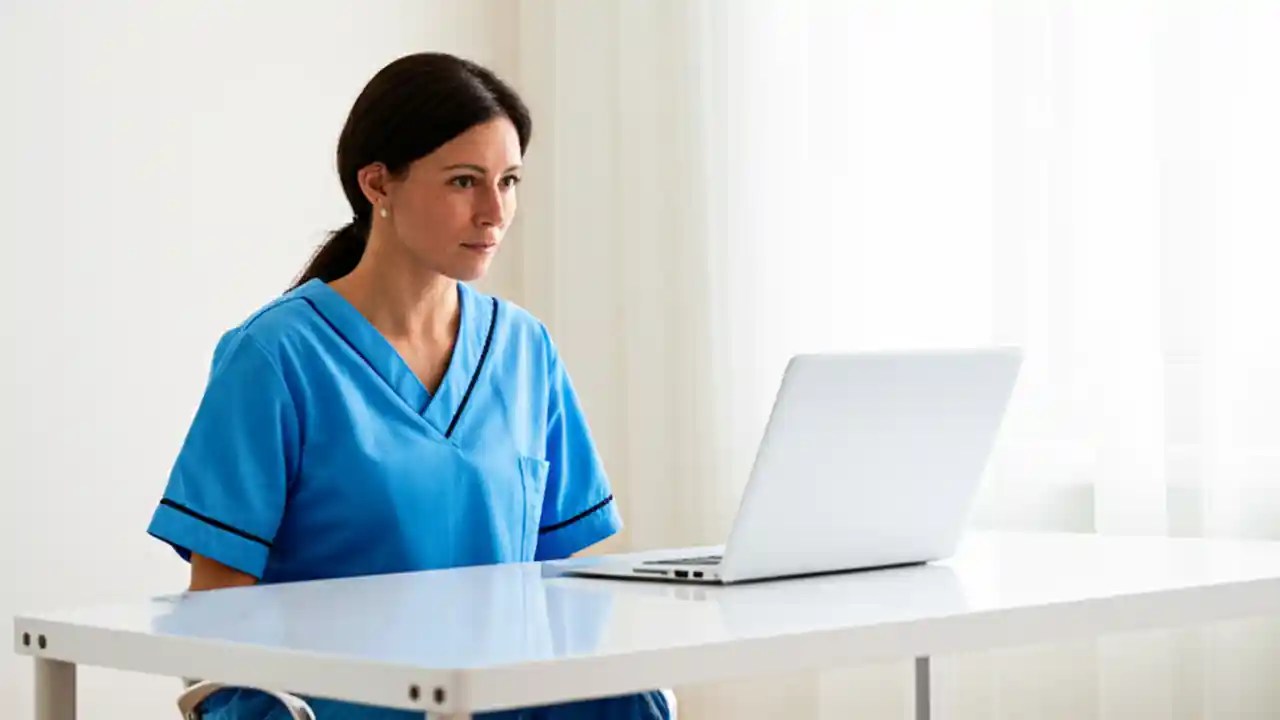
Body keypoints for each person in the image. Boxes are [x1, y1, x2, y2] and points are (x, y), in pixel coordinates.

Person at [146, 52, 671, 720]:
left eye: (509, 181)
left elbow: (561, 591)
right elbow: (216, 614)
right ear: (377, 185)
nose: (494, 212)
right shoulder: (275, 357)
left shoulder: (525, 349)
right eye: (463, 182)